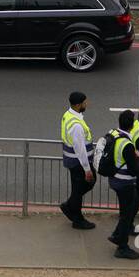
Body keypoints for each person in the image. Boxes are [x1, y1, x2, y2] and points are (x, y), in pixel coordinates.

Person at [105, 111, 139, 260]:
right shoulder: (127, 144)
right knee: (128, 214)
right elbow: (134, 169)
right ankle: (122, 247)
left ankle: (117, 235)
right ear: (132, 125)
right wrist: (138, 158)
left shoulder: (113, 134)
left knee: (125, 211)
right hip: (124, 182)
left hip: (114, 179)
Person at [59, 91, 96, 229]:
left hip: (72, 161)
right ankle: (76, 217)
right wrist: (87, 169)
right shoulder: (76, 125)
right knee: (82, 187)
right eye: (85, 102)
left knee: (78, 189)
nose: (87, 104)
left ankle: (71, 207)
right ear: (78, 105)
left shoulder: (68, 115)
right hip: (78, 163)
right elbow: (80, 149)